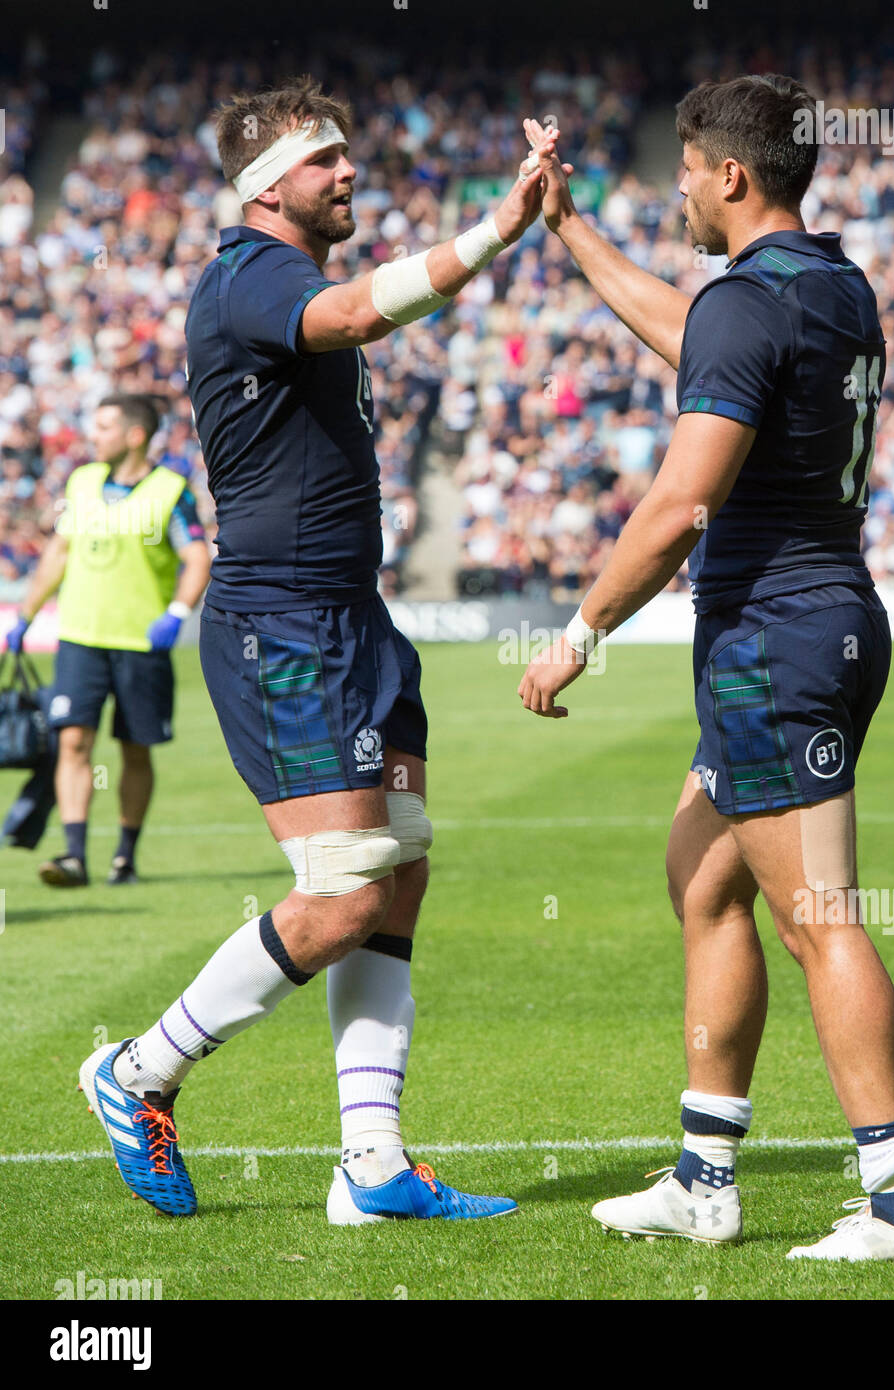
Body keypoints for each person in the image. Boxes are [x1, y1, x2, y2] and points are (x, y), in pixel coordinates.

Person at [79, 76, 546, 1224]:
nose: (349, 173)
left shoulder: (291, 276)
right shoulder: (250, 277)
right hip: (280, 624)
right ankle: (137, 1069)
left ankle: (371, 1165)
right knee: (339, 898)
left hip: (353, 620)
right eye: (325, 159)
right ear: (265, 185)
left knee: (399, 874)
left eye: (346, 155)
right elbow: (353, 317)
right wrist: (495, 227)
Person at [518, 78, 894, 1260]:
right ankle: (702, 1178)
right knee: (704, 883)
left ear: (729, 176)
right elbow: (688, 327)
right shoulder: (828, 284)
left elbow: (678, 505)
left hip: (775, 641)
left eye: (685, 167)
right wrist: (567, 227)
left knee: (819, 917)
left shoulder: (743, 304)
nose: (676, 189)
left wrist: (577, 634)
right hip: (823, 622)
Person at [5, 393, 210, 886]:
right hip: (79, 636)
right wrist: (26, 614)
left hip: (142, 644)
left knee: (136, 749)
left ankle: (125, 858)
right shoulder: (82, 482)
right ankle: (74, 855)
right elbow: (59, 551)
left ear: (134, 435)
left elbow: (198, 557)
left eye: (102, 427)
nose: (91, 436)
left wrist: (178, 613)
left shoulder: (171, 491)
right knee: (73, 740)